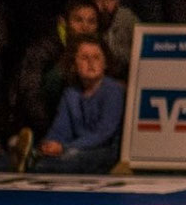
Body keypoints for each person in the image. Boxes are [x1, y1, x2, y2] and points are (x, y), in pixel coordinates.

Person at [28, 36, 124, 174]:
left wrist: (64, 147)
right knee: (49, 155)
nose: (91, 63)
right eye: (85, 58)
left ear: (105, 63)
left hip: (104, 150)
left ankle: (33, 163)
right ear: (74, 64)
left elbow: (103, 134)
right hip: (74, 147)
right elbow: (61, 129)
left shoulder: (113, 90)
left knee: (67, 159)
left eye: (96, 58)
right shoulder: (71, 93)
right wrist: (50, 143)